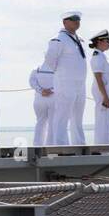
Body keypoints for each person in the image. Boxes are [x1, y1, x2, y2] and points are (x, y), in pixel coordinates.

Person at [43, 11, 87, 147]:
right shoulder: (59, 39)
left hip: (79, 82)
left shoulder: (77, 39)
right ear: (65, 22)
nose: (77, 22)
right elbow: (50, 59)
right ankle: (61, 145)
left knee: (78, 116)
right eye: (73, 19)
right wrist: (62, 73)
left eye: (78, 19)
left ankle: (79, 144)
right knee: (63, 114)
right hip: (65, 81)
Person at [89, 30, 109, 144]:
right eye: (107, 41)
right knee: (103, 119)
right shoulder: (98, 57)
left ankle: (106, 145)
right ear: (99, 41)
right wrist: (105, 97)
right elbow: (98, 77)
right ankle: (102, 147)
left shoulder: (103, 56)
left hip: (106, 91)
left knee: (107, 119)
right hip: (103, 91)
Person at [29, 65, 56, 146]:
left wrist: (41, 90)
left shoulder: (36, 69)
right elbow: (62, 82)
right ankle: (50, 145)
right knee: (52, 123)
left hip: (39, 98)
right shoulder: (57, 69)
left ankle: (37, 145)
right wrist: (51, 90)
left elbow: (31, 81)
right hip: (53, 98)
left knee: (40, 122)